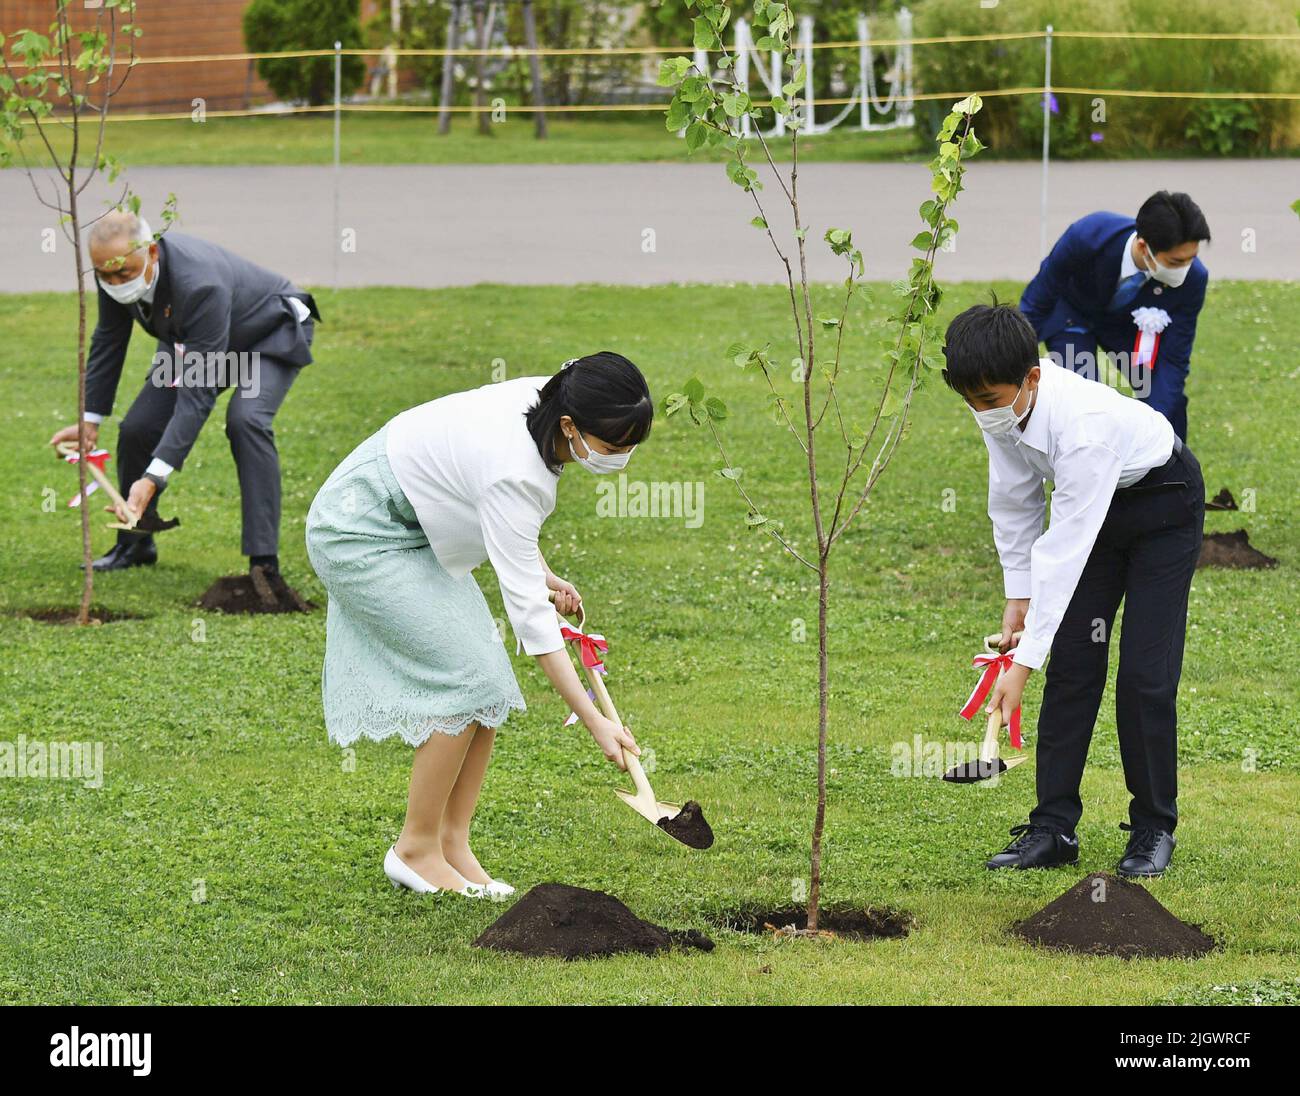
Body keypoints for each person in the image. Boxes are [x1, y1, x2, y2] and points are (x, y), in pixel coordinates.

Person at [305, 354, 650, 898]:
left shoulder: (558, 395)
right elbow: (533, 625)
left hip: (414, 523)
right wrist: (596, 723)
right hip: (360, 529)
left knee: (485, 684)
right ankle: (415, 850)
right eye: (612, 449)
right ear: (569, 426)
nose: (621, 459)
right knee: (462, 681)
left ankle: (452, 841)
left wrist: (541, 572)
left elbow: (487, 505)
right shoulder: (517, 469)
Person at [942, 303, 1205, 879]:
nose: (980, 413)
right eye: (970, 401)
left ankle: (1153, 829)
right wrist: (1018, 593)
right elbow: (1014, 498)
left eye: (989, 400)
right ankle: (1053, 829)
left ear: (1032, 377)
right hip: (1098, 513)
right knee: (1074, 667)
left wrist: (1021, 666)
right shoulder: (1003, 411)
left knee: (1144, 674)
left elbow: (1064, 551)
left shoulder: (1083, 428)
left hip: (1163, 508)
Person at [49, 210, 320, 577]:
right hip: (194, 341)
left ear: (152, 254)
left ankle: (263, 563)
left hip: (264, 336)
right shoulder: (114, 266)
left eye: (123, 274)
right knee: (138, 428)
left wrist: (155, 476)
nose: (115, 282)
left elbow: (197, 393)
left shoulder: (200, 284)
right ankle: (136, 542)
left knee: (246, 421)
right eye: (105, 275)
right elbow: (110, 337)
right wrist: (90, 420)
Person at [1019, 191, 1210, 442]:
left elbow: (1173, 360)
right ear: (1144, 246)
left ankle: (1168, 473)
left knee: (1168, 403)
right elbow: (1038, 299)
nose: (1184, 269)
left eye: (1191, 258)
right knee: (1082, 405)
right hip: (1072, 316)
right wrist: (1012, 362)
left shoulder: (1194, 278)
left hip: (1128, 330)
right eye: (1176, 262)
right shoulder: (1088, 235)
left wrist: (1155, 430)